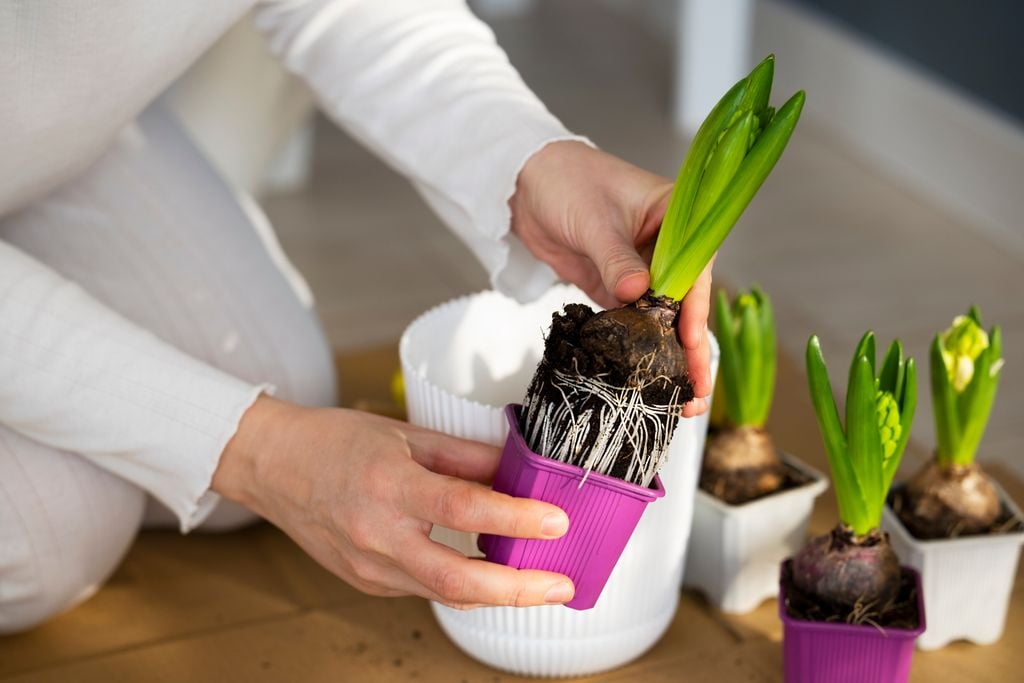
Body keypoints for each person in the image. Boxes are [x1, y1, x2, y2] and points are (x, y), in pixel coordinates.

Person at [0, 0, 713, 631]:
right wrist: (255, 451)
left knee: (283, 390)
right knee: (57, 537)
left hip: (64, 136)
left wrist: (531, 162)